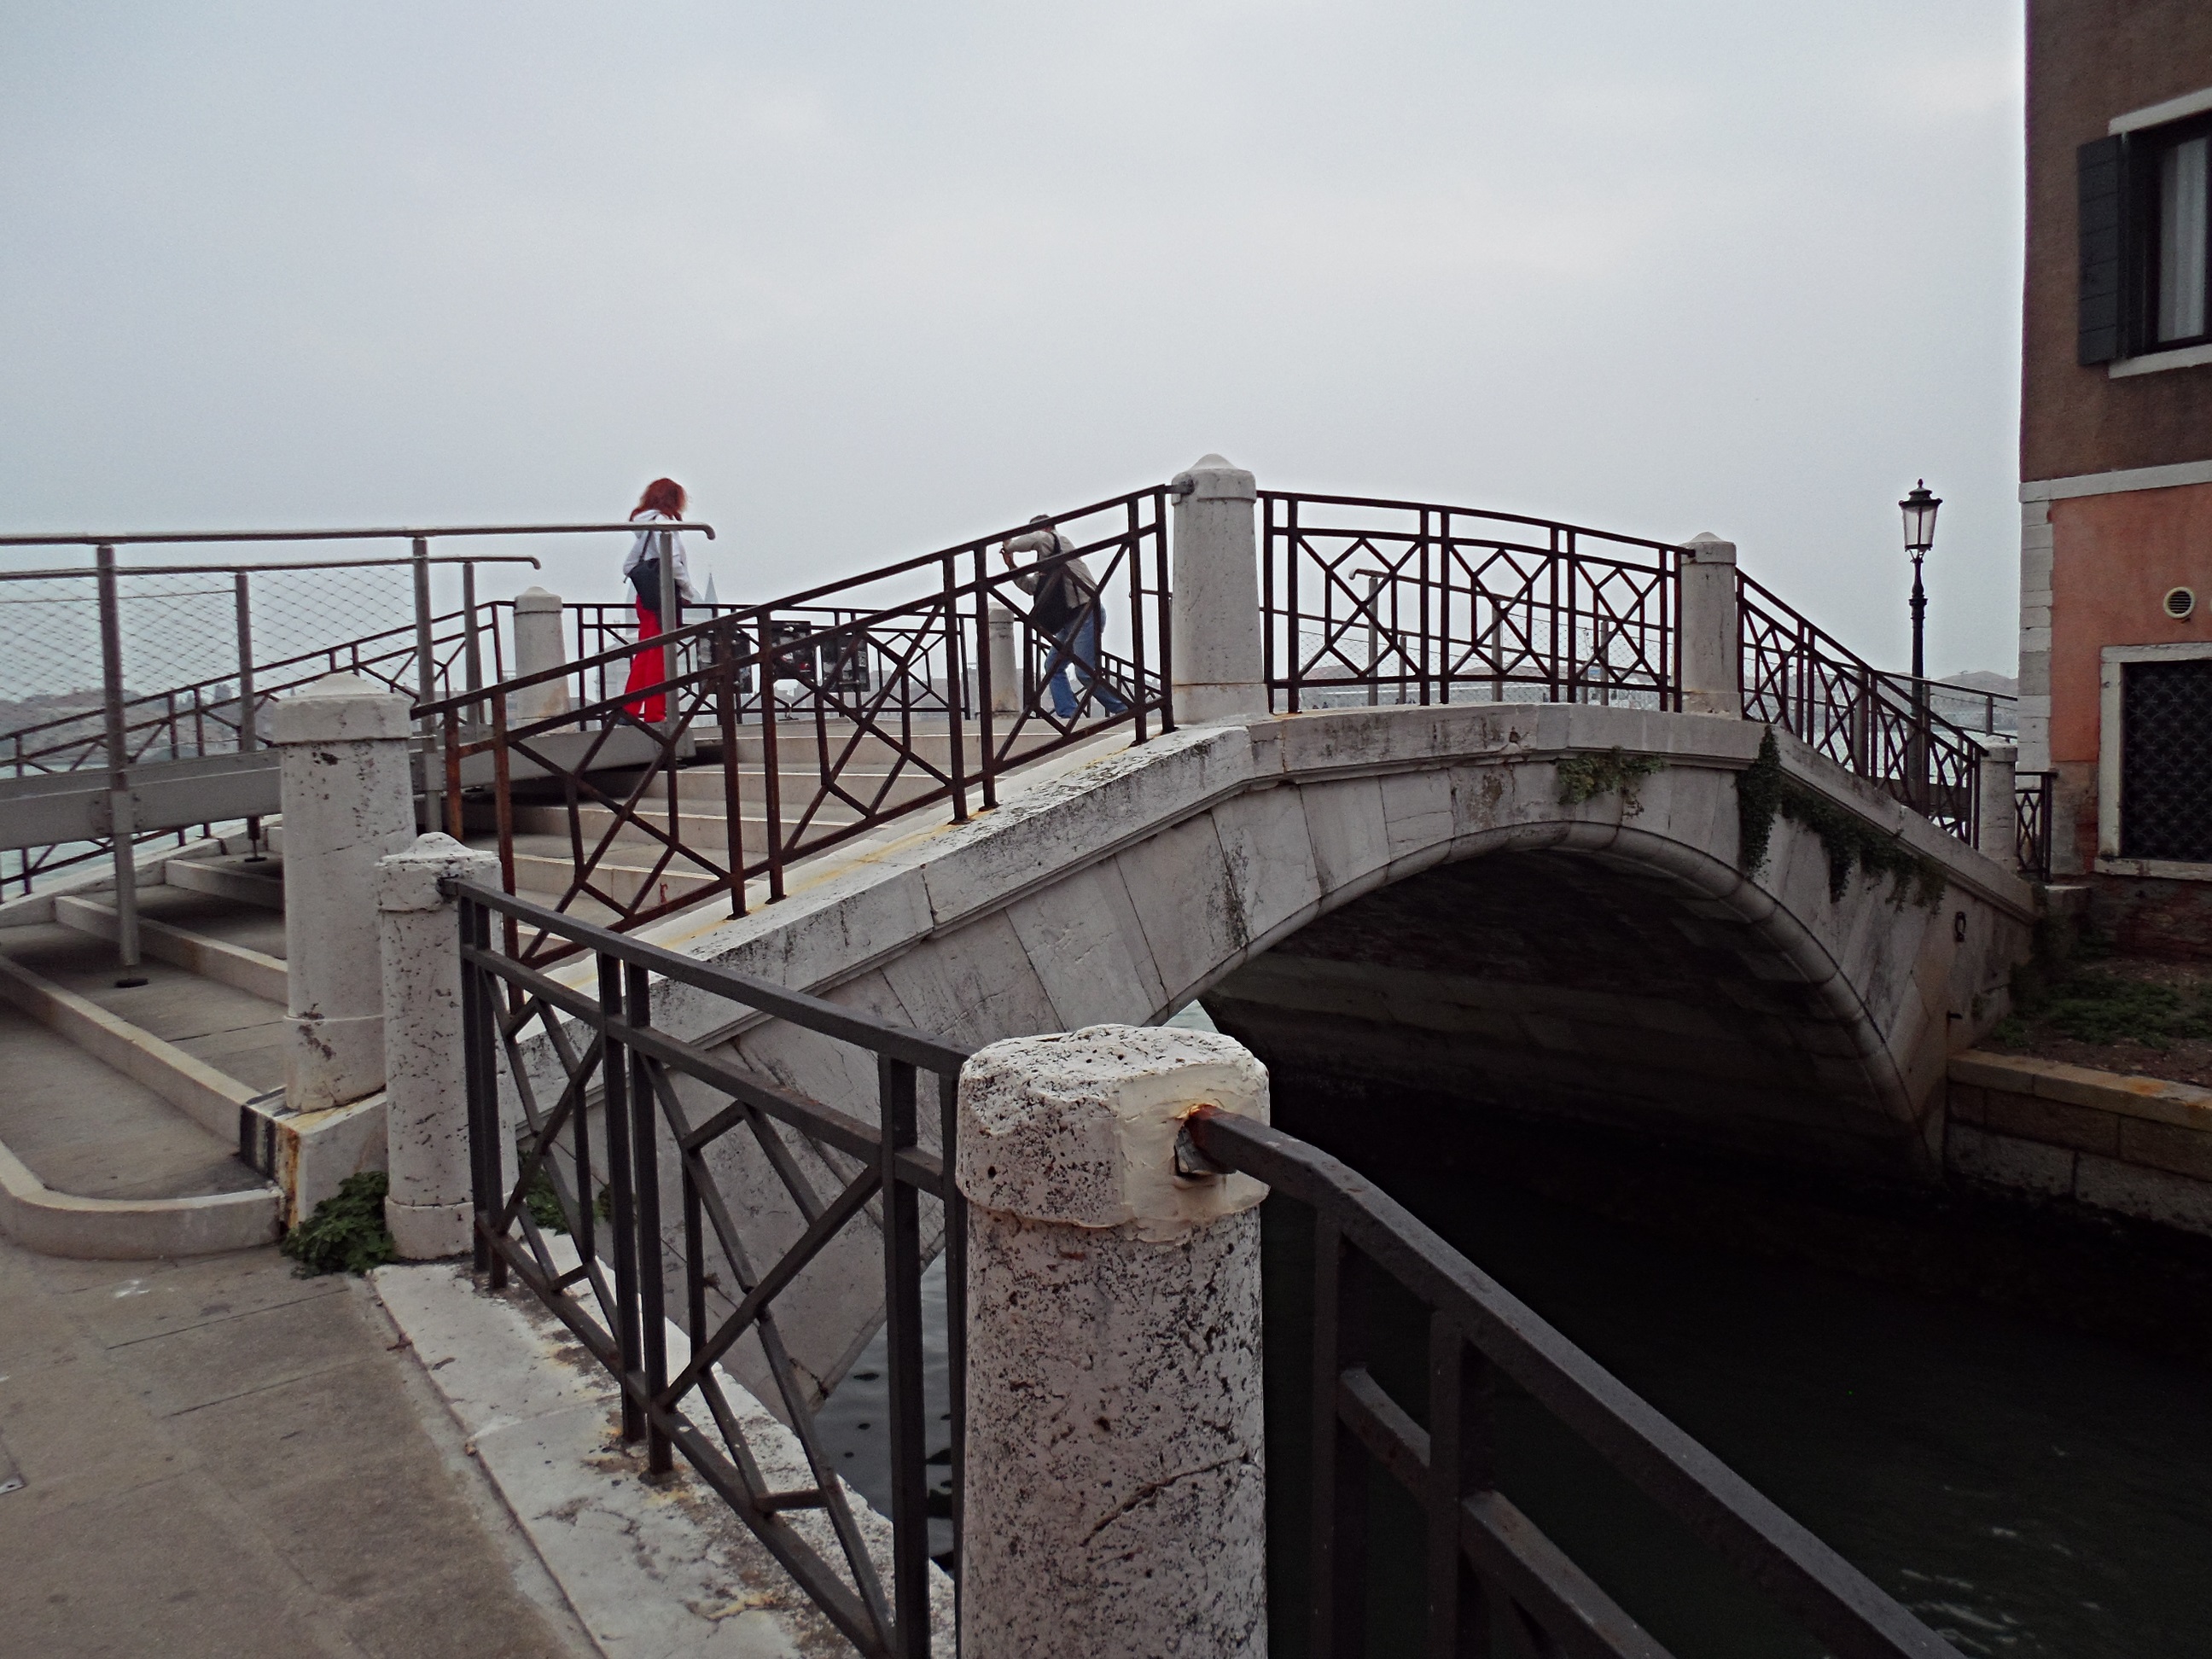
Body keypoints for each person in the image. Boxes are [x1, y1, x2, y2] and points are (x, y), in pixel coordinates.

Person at [998, 515, 1128, 720]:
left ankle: (1124, 710)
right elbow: (1032, 588)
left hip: (1085, 612)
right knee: (1053, 667)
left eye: (1035, 530)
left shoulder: (1058, 541)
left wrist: (1010, 544)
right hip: (1068, 619)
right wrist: (1012, 565)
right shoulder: (1046, 559)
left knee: (1085, 673)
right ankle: (1068, 715)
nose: (1033, 535)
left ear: (1048, 528)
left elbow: (1038, 538)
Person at [620, 478, 698, 722]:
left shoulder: (642, 523)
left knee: (647, 653)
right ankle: (655, 712)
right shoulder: (663, 523)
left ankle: (629, 709)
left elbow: (631, 564)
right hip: (662, 594)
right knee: (660, 654)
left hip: (645, 596)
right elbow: (672, 560)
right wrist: (686, 590)